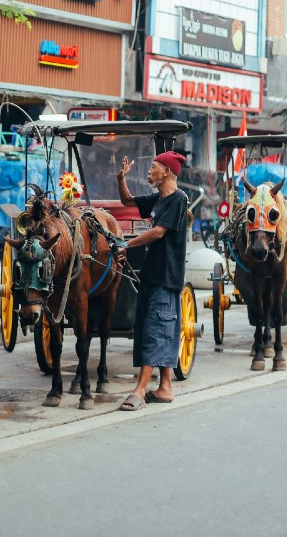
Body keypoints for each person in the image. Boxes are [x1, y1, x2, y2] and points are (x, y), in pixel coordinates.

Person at [114, 150, 189, 411]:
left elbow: (158, 232)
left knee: (156, 332)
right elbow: (126, 201)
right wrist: (120, 178)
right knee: (153, 329)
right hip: (151, 275)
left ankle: (140, 390)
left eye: (154, 167)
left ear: (167, 171)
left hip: (166, 278)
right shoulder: (157, 199)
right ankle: (165, 387)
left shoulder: (178, 199)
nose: (149, 171)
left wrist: (127, 243)